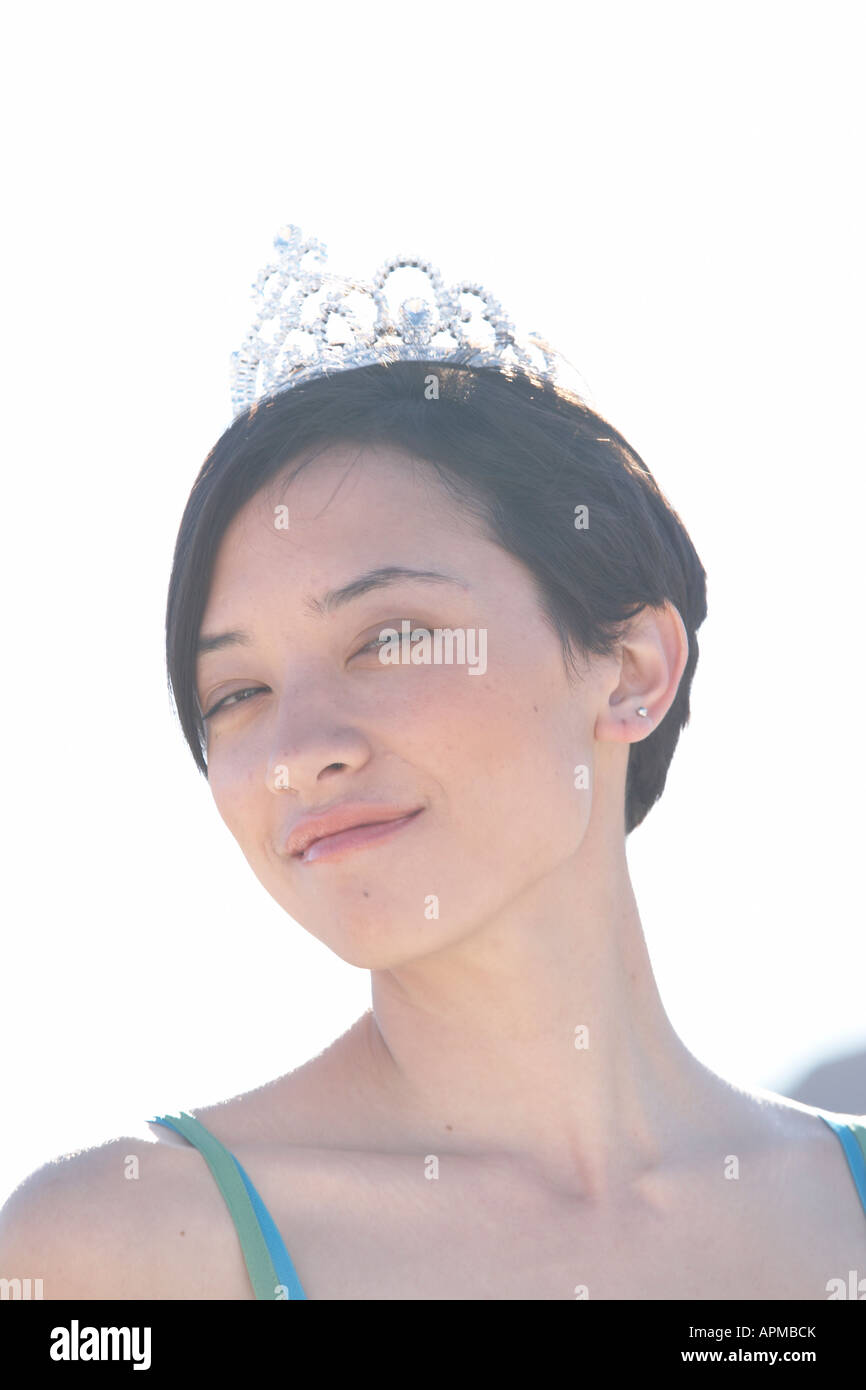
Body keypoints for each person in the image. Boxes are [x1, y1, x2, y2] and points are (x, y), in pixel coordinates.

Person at [2, 228, 864, 1301]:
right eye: (238, 694)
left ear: (630, 667)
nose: (302, 750)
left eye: (389, 638)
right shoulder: (128, 1247)